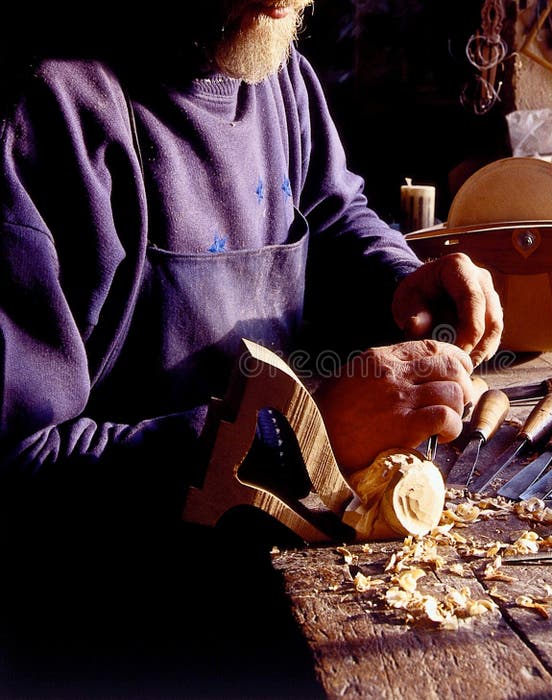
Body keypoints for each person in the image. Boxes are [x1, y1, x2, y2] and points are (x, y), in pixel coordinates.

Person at [0, 2, 502, 695]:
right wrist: (297, 437)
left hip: (279, 581)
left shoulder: (277, 68)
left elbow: (332, 210)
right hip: (118, 634)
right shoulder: (46, 117)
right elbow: (21, 472)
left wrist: (399, 280)